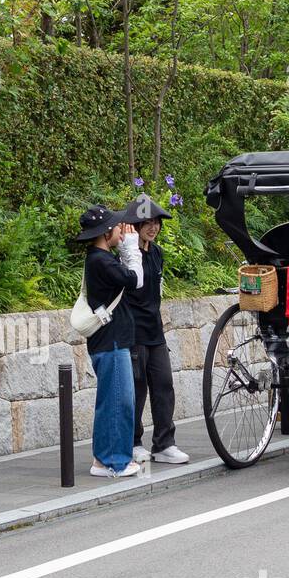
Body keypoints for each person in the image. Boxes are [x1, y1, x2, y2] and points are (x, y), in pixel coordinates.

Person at [76, 204, 144, 478]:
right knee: (119, 401)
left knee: (110, 400)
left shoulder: (98, 258)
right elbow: (135, 280)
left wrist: (125, 249)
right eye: (117, 228)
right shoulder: (101, 260)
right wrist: (131, 248)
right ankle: (115, 460)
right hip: (112, 342)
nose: (122, 230)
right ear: (106, 233)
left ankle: (102, 460)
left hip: (109, 340)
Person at [122, 194, 189, 465]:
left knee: (164, 385)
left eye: (157, 223)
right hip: (133, 330)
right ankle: (133, 442)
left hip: (155, 330)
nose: (153, 227)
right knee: (137, 389)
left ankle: (164, 443)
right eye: (147, 222)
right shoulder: (128, 254)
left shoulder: (157, 253)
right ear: (135, 225)